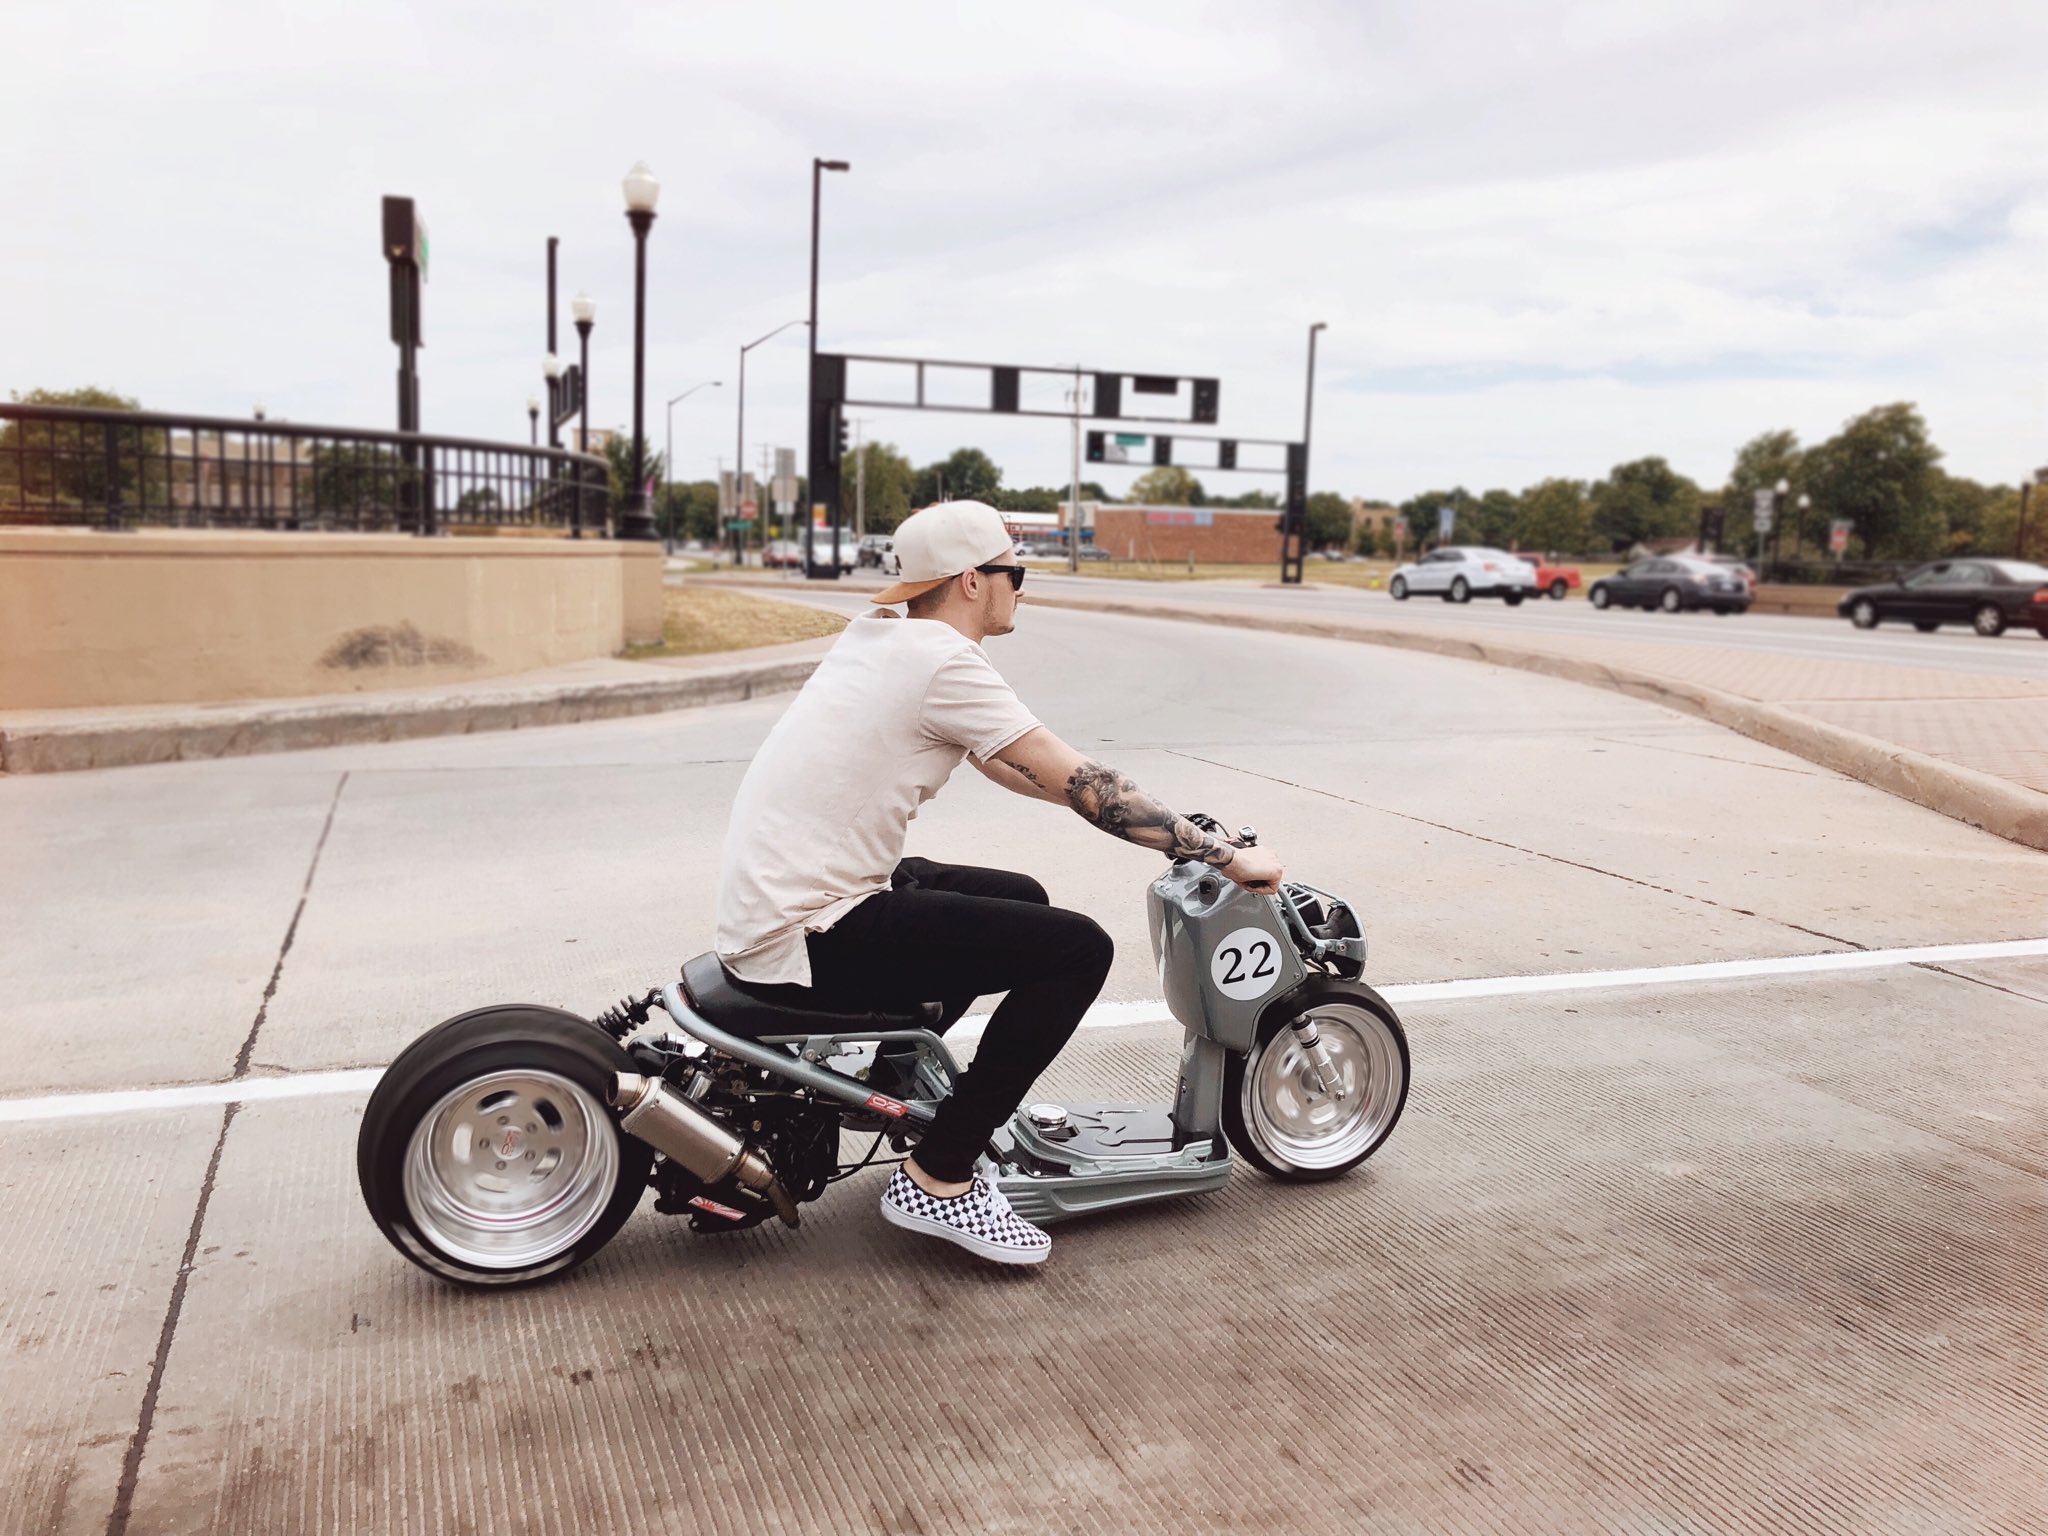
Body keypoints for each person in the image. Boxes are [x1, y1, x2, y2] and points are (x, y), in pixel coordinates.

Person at [714, 501, 1283, 1265]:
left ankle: (894, 1083)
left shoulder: (884, 638)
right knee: (1076, 950)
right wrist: (1218, 854)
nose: (1024, 586)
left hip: (789, 903)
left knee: (1021, 899)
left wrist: (1139, 818)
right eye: (1016, 571)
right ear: (972, 580)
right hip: (809, 929)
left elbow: (1021, 767)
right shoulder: (942, 661)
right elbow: (1087, 781)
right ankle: (939, 1174)